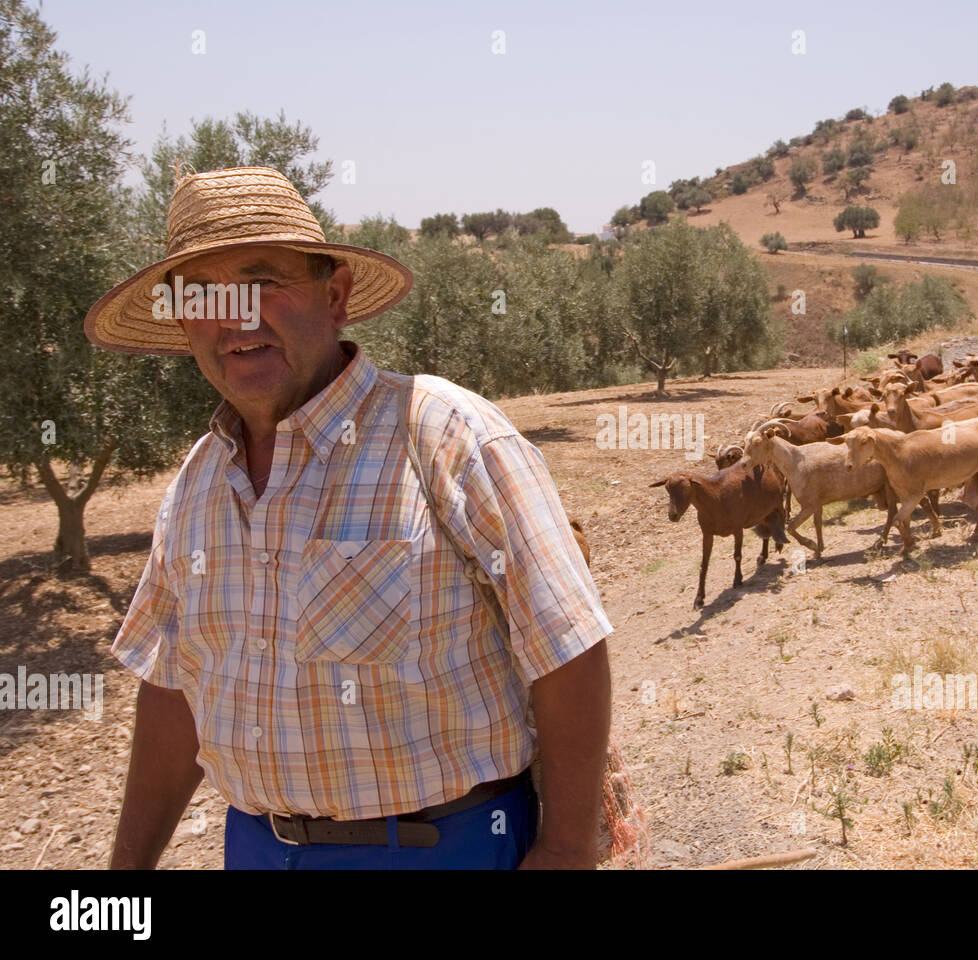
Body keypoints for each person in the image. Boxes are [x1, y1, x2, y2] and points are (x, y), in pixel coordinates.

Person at [87, 166, 613, 869]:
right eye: (204, 293)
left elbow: (568, 646)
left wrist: (568, 849)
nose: (235, 315)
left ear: (334, 296)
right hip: (257, 850)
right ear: (183, 321)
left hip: (443, 847)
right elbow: (173, 688)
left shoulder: (447, 436)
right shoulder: (197, 483)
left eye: (261, 281)